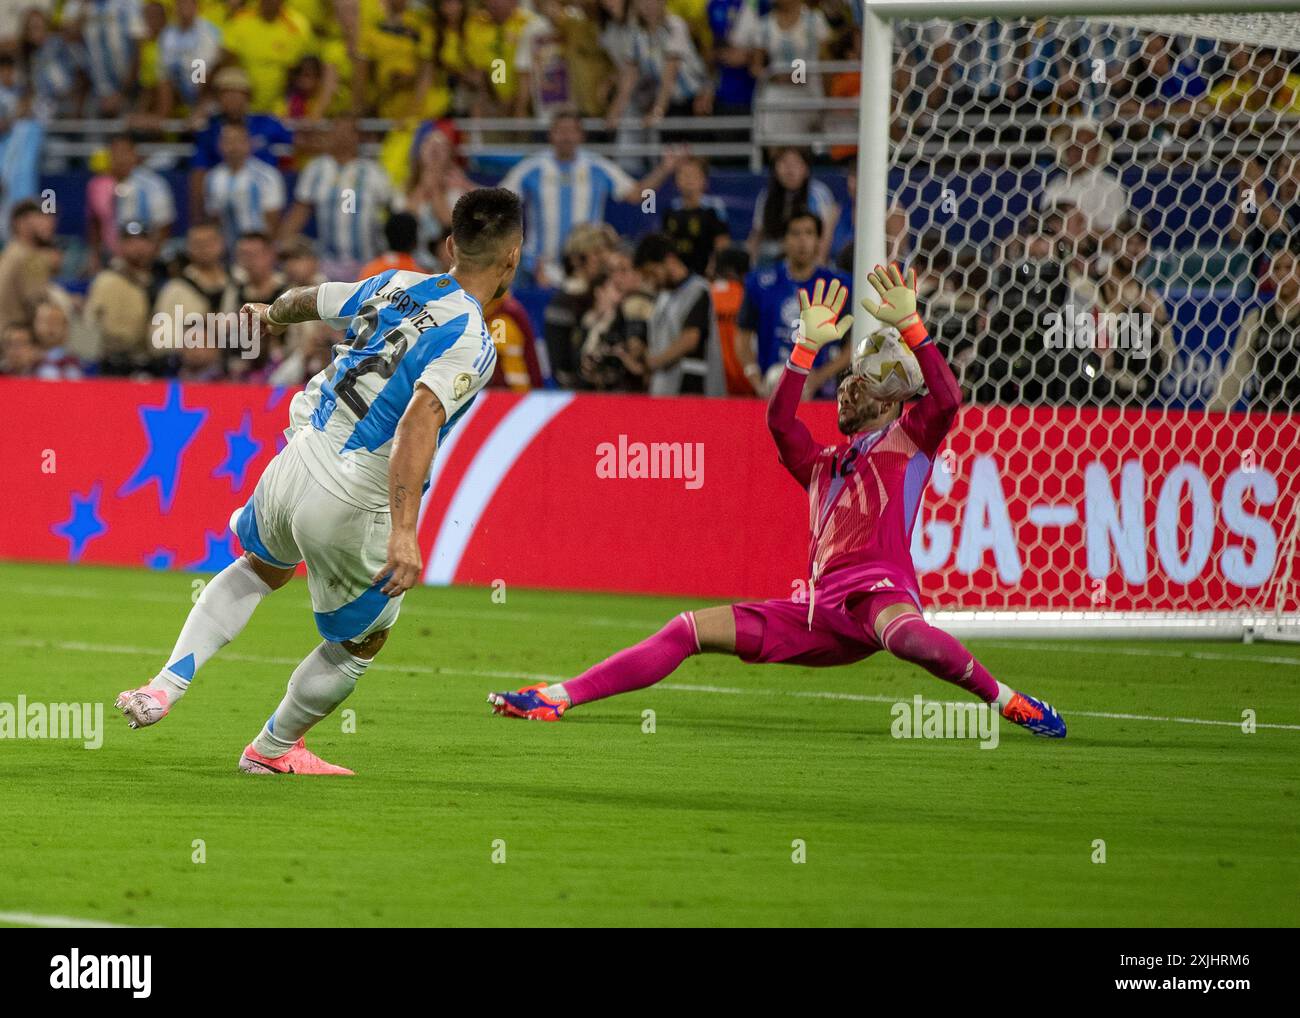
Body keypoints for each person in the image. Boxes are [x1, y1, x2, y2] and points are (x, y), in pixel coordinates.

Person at [489, 264, 1068, 740]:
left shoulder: (908, 441)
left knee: (908, 638)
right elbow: (780, 420)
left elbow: (947, 398)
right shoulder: (821, 465)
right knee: (686, 629)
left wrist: (914, 328)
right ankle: (555, 697)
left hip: (879, 597)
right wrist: (806, 347)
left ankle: (1009, 701)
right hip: (818, 615)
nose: (846, 390)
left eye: (859, 384)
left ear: (891, 399)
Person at [114, 187, 521, 775]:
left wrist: (268, 314)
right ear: (513, 256)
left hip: (296, 457)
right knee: (363, 641)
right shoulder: (473, 342)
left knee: (259, 568)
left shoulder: (397, 282)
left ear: (452, 244)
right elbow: (416, 424)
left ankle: (166, 684)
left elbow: (311, 298)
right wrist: (404, 533)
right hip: (351, 496)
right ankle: (273, 750)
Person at [500, 109, 684, 287]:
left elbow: (639, 195)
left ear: (581, 135)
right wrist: (468, 183)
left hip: (588, 265)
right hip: (538, 268)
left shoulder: (598, 166)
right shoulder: (532, 167)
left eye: (572, 131)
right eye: (561, 131)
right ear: (551, 134)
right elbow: (496, 199)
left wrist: (664, 169)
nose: (566, 137)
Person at [736, 210, 851, 397]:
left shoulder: (838, 285)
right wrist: (755, 378)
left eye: (809, 233)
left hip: (821, 394)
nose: (802, 241)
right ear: (784, 240)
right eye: (795, 233)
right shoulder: (760, 282)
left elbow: (852, 344)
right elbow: (742, 337)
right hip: (771, 386)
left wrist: (819, 377)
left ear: (818, 240)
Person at [633, 232, 724, 396]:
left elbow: (690, 339)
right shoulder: (663, 296)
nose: (651, 280)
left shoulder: (698, 290)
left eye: (652, 273)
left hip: (693, 389)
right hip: (665, 387)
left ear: (669, 260)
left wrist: (653, 362)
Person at [204, 121, 287, 250]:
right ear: (219, 145)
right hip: (226, 248)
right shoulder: (212, 177)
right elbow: (214, 218)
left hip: (257, 247)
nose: (233, 147)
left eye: (238, 141)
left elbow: (273, 220)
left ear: (249, 143)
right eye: (228, 141)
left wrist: (265, 249)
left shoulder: (267, 175)